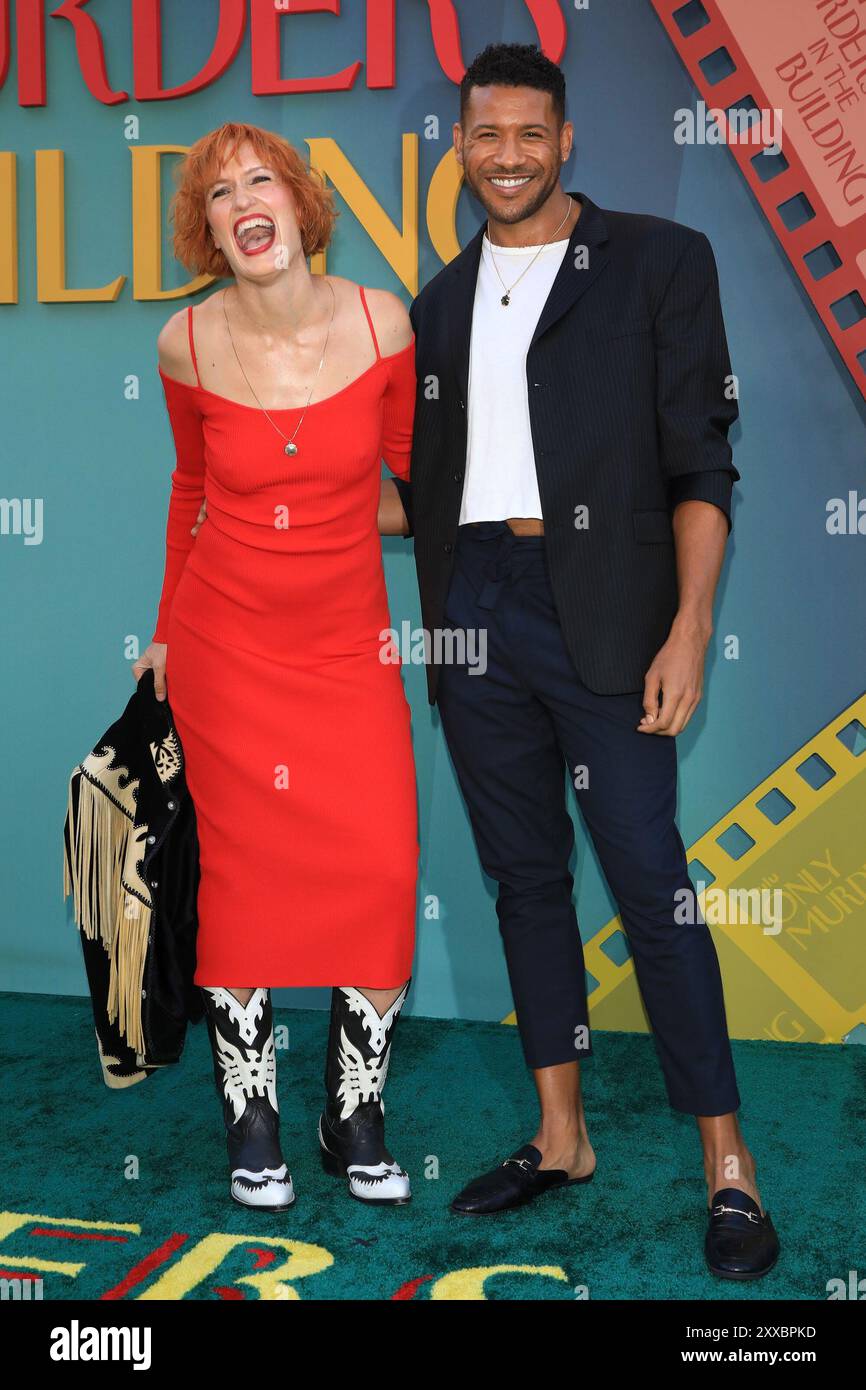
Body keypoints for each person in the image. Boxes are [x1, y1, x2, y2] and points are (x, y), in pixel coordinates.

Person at [383, 42, 780, 1278]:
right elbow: (418, 493)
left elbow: (699, 465)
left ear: (564, 143)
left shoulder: (661, 259)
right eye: (481, 134)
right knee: (521, 879)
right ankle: (561, 1136)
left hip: (607, 606)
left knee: (651, 883)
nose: (504, 155)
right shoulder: (437, 303)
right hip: (476, 606)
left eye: (526, 135)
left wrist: (687, 628)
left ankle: (728, 1164)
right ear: (459, 146)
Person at [132, 122, 419, 1211]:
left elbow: (403, 485)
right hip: (225, 649)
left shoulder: (381, 322)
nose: (241, 200)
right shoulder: (183, 347)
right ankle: (251, 1114)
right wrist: (164, 627)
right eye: (216, 192)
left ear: (298, 206)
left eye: (259, 181)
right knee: (240, 882)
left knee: (383, 868)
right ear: (206, 230)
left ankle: (353, 1114)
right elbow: (188, 489)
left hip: (345, 646)